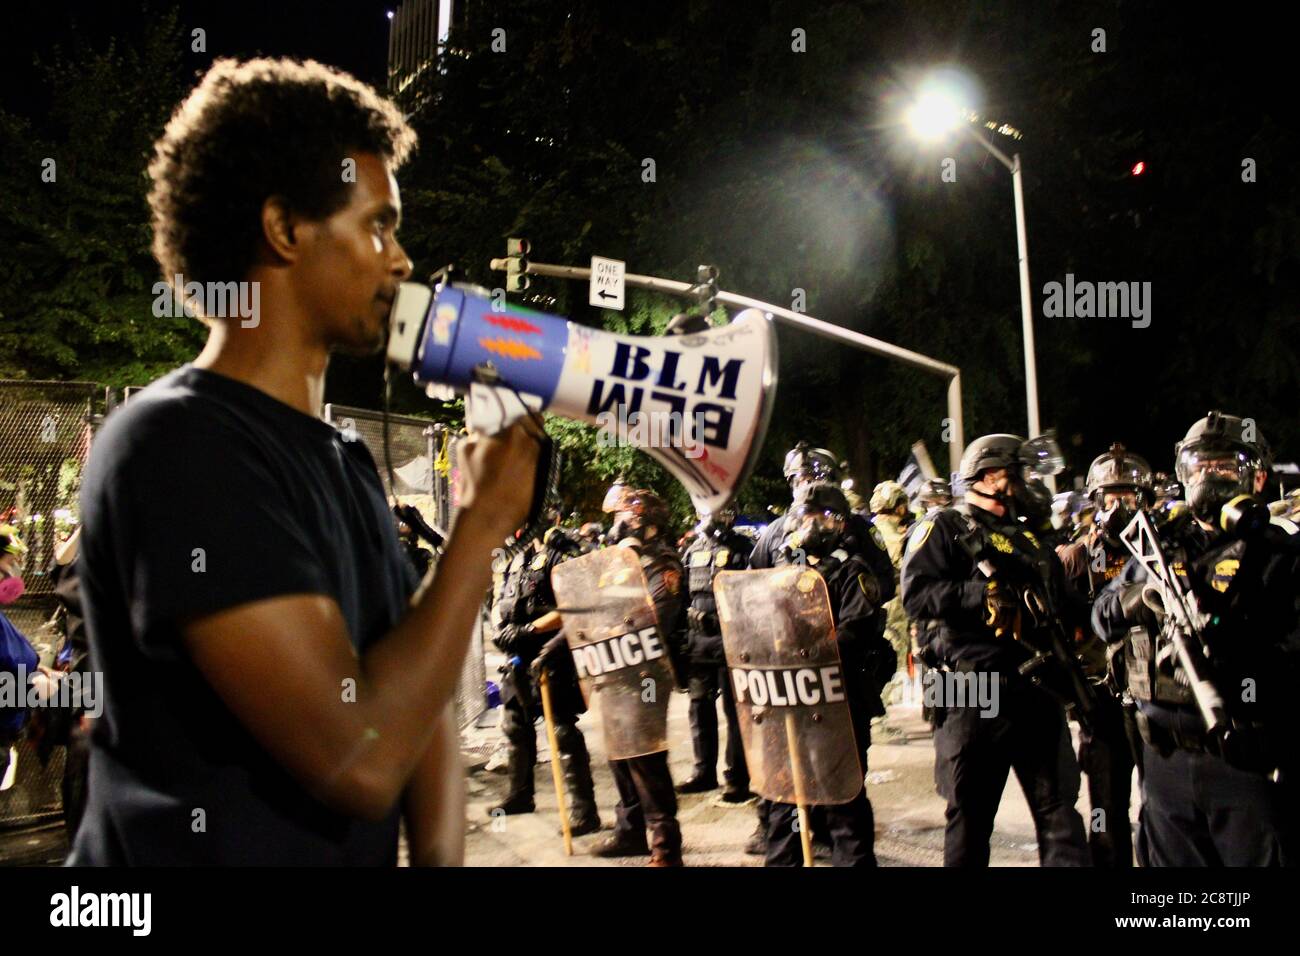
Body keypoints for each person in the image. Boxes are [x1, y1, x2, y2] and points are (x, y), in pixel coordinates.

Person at [68, 58, 541, 865]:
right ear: (285, 229)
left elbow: (414, 702)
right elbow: (356, 759)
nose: (400, 261)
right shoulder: (178, 446)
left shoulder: (342, 457)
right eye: (379, 226)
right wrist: (479, 526)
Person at [1092, 412, 1300, 866]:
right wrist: (1132, 601)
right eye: (1199, 465)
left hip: (1247, 759)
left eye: (1223, 466)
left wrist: (1233, 638)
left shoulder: (1281, 553)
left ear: (1257, 478)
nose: (1209, 476)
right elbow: (1101, 619)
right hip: (1164, 761)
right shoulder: (1158, 546)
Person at [901, 434, 1090, 867]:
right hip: (971, 687)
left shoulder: (1025, 535)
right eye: (1020, 474)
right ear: (990, 476)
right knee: (970, 815)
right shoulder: (945, 526)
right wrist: (979, 594)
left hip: (1036, 684)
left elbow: (1063, 601)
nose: (1028, 483)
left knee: (1059, 811)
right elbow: (916, 596)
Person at [764, 484, 891, 866]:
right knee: (782, 791)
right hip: (790, 695)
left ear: (839, 523)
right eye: (806, 516)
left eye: (822, 517)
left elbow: (856, 630)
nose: (812, 525)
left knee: (842, 793)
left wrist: (813, 646)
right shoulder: (784, 571)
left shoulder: (853, 571)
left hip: (840, 698)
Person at [1055, 443, 1153, 866]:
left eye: (1127, 496)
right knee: (1105, 810)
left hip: (1155, 697)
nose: (1118, 506)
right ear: (1095, 502)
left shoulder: (1159, 552)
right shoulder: (1077, 557)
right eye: (1109, 497)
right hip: (1103, 699)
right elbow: (1056, 630)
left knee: (1161, 807)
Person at [592, 485, 689, 866]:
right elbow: (589, 611)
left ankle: (666, 845)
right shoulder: (617, 564)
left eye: (623, 518)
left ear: (646, 523)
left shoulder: (662, 565)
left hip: (648, 676)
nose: (615, 526)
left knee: (646, 753)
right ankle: (630, 831)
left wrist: (612, 633)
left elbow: (658, 620)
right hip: (613, 670)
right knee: (619, 753)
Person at [488, 519, 600, 835]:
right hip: (517, 656)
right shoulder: (511, 558)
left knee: (562, 731)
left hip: (549, 654)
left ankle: (584, 812)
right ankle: (520, 794)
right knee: (514, 724)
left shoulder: (559, 552)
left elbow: (577, 604)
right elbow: (499, 601)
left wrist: (531, 629)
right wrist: (501, 630)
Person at [677, 506, 754, 803]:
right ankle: (703, 771)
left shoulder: (744, 548)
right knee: (699, 707)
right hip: (698, 643)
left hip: (731, 642)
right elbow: (682, 593)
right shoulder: (692, 549)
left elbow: (752, 594)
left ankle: (737, 778)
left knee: (736, 713)